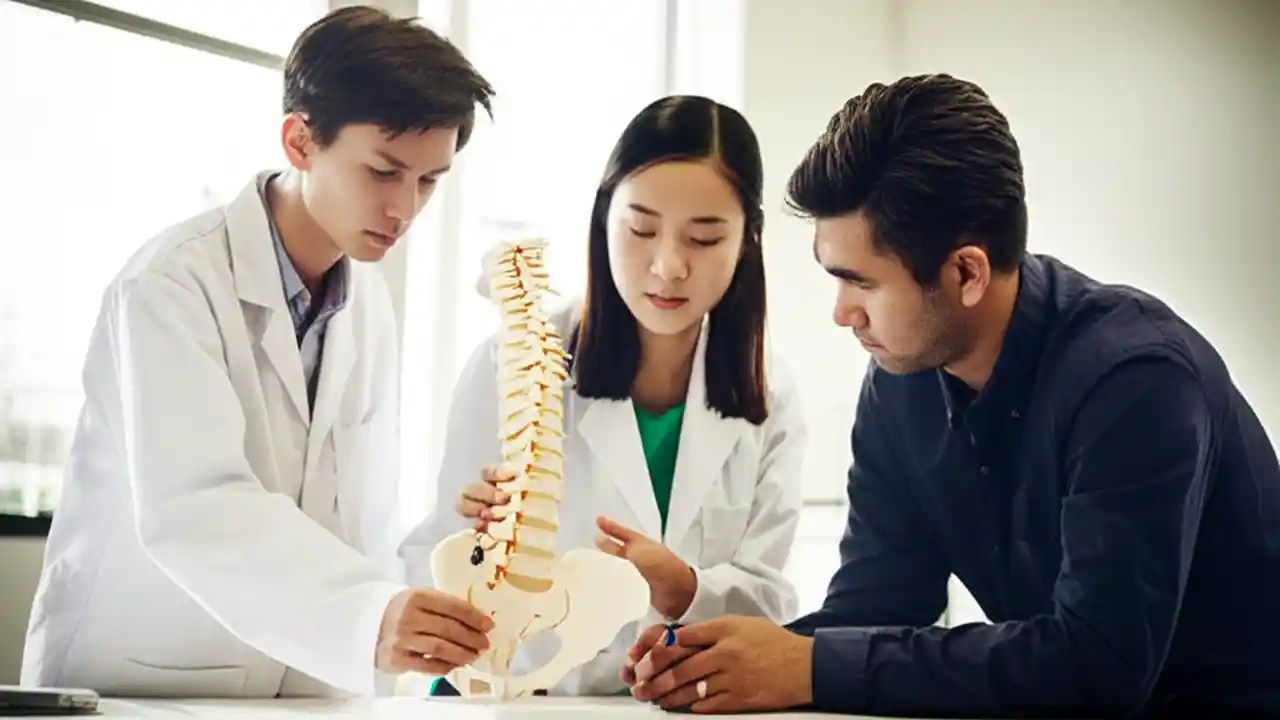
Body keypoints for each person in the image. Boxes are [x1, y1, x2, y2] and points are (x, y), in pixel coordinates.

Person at [625, 73, 1280, 717]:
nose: (841, 313)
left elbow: (1098, 665)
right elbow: (875, 610)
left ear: (966, 271)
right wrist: (717, 657)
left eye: (863, 284)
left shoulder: (1135, 380)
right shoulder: (899, 385)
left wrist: (806, 665)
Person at [23, 7, 499, 698]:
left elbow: (360, 521)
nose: (406, 208)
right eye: (383, 171)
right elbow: (195, 506)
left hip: (303, 691)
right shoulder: (172, 283)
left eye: (429, 181)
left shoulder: (368, 305)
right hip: (143, 680)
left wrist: (455, 546)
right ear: (300, 141)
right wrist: (368, 617)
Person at [399, 95, 807, 696]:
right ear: (603, 220)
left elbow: (768, 601)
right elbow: (429, 562)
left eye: (704, 239)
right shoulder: (514, 359)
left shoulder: (769, 389)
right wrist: (473, 552)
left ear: (747, 241)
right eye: (641, 229)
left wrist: (683, 587)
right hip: (520, 704)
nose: (668, 267)